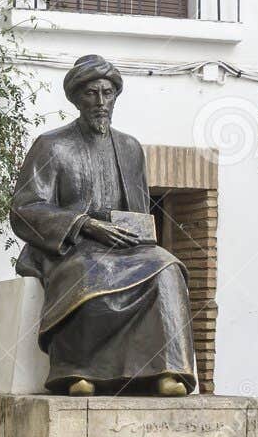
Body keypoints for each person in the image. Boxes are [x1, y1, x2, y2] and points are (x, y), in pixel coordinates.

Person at [11, 55, 197, 396]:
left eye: (107, 93)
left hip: (124, 245)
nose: (100, 102)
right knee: (88, 271)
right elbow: (25, 209)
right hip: (70, 245)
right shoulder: (51, 145)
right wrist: (85, 225)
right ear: (76, 98)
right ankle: (78, 372)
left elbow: (139, 211)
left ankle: (166, 370)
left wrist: (136, 235)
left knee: (167, 267)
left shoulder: (129, 148)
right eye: (91, 93)